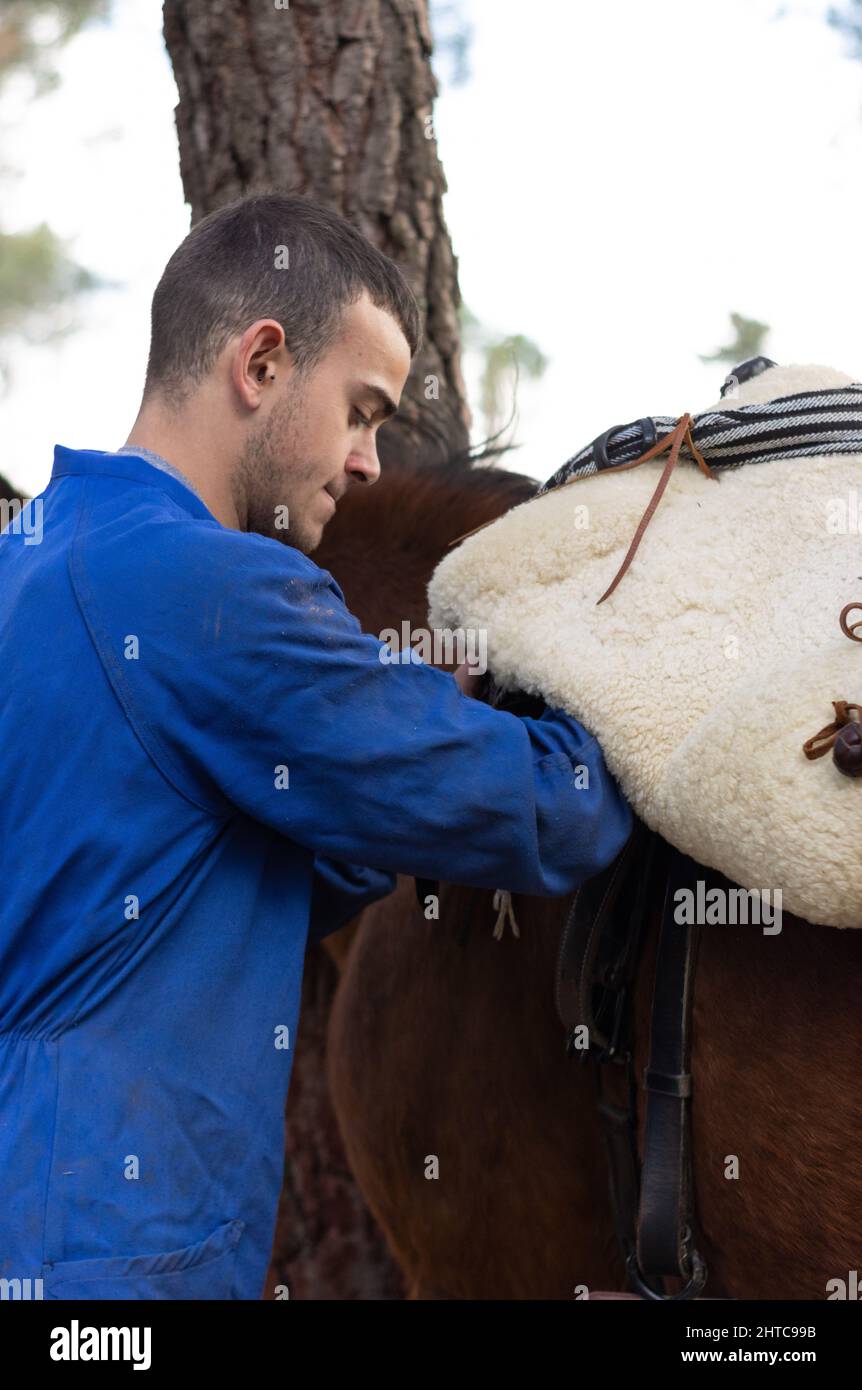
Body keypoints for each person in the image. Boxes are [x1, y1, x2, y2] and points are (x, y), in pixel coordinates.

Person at [0, 193, 632, 1301]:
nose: (369, 462)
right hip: (109, 1250)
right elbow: (545, 810)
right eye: (361, 411)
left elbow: (171, 865)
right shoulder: (213, 587)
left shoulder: (32, 565)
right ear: (260, 363)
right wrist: (632, 714)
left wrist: (387, 746)